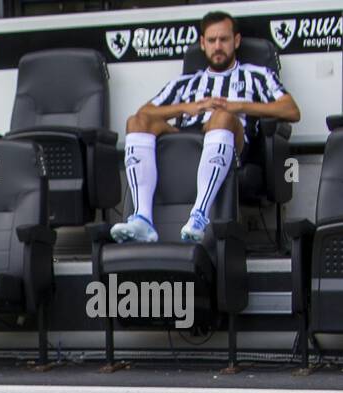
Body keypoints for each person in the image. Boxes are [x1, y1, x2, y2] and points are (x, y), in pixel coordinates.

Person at [111, 10, 300, 244]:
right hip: (188, 141)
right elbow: (145, 113)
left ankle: (199, 217)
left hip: (232, 140)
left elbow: (291, 111)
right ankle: (142, 219)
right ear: (202, 44)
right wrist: (188, 107)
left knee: (221, 117)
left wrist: (238, 106)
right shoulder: (186, 82)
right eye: (211, 40)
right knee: (136, 122)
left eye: (224, 39)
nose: (218, 46)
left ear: (236, 41)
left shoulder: (257, 75)